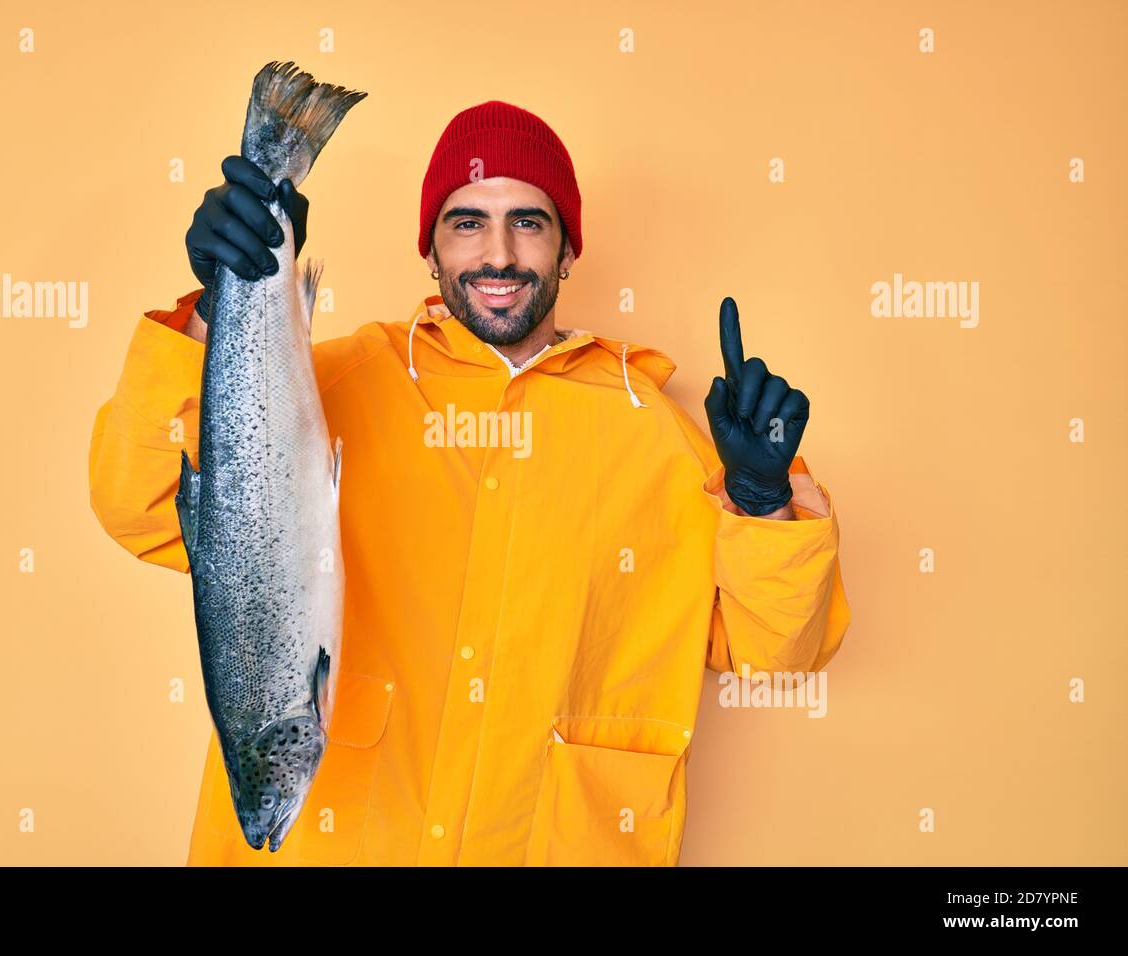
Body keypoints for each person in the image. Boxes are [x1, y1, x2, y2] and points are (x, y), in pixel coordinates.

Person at [88, 100, 851, 866]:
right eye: (466, 223)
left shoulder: (657, 436)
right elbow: (144, 505)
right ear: (431, 251)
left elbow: (776, 655)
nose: (498, 255)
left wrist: (761, 500)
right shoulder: (334, 388)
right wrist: (219, 311)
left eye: (528, 222)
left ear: (566, 253)